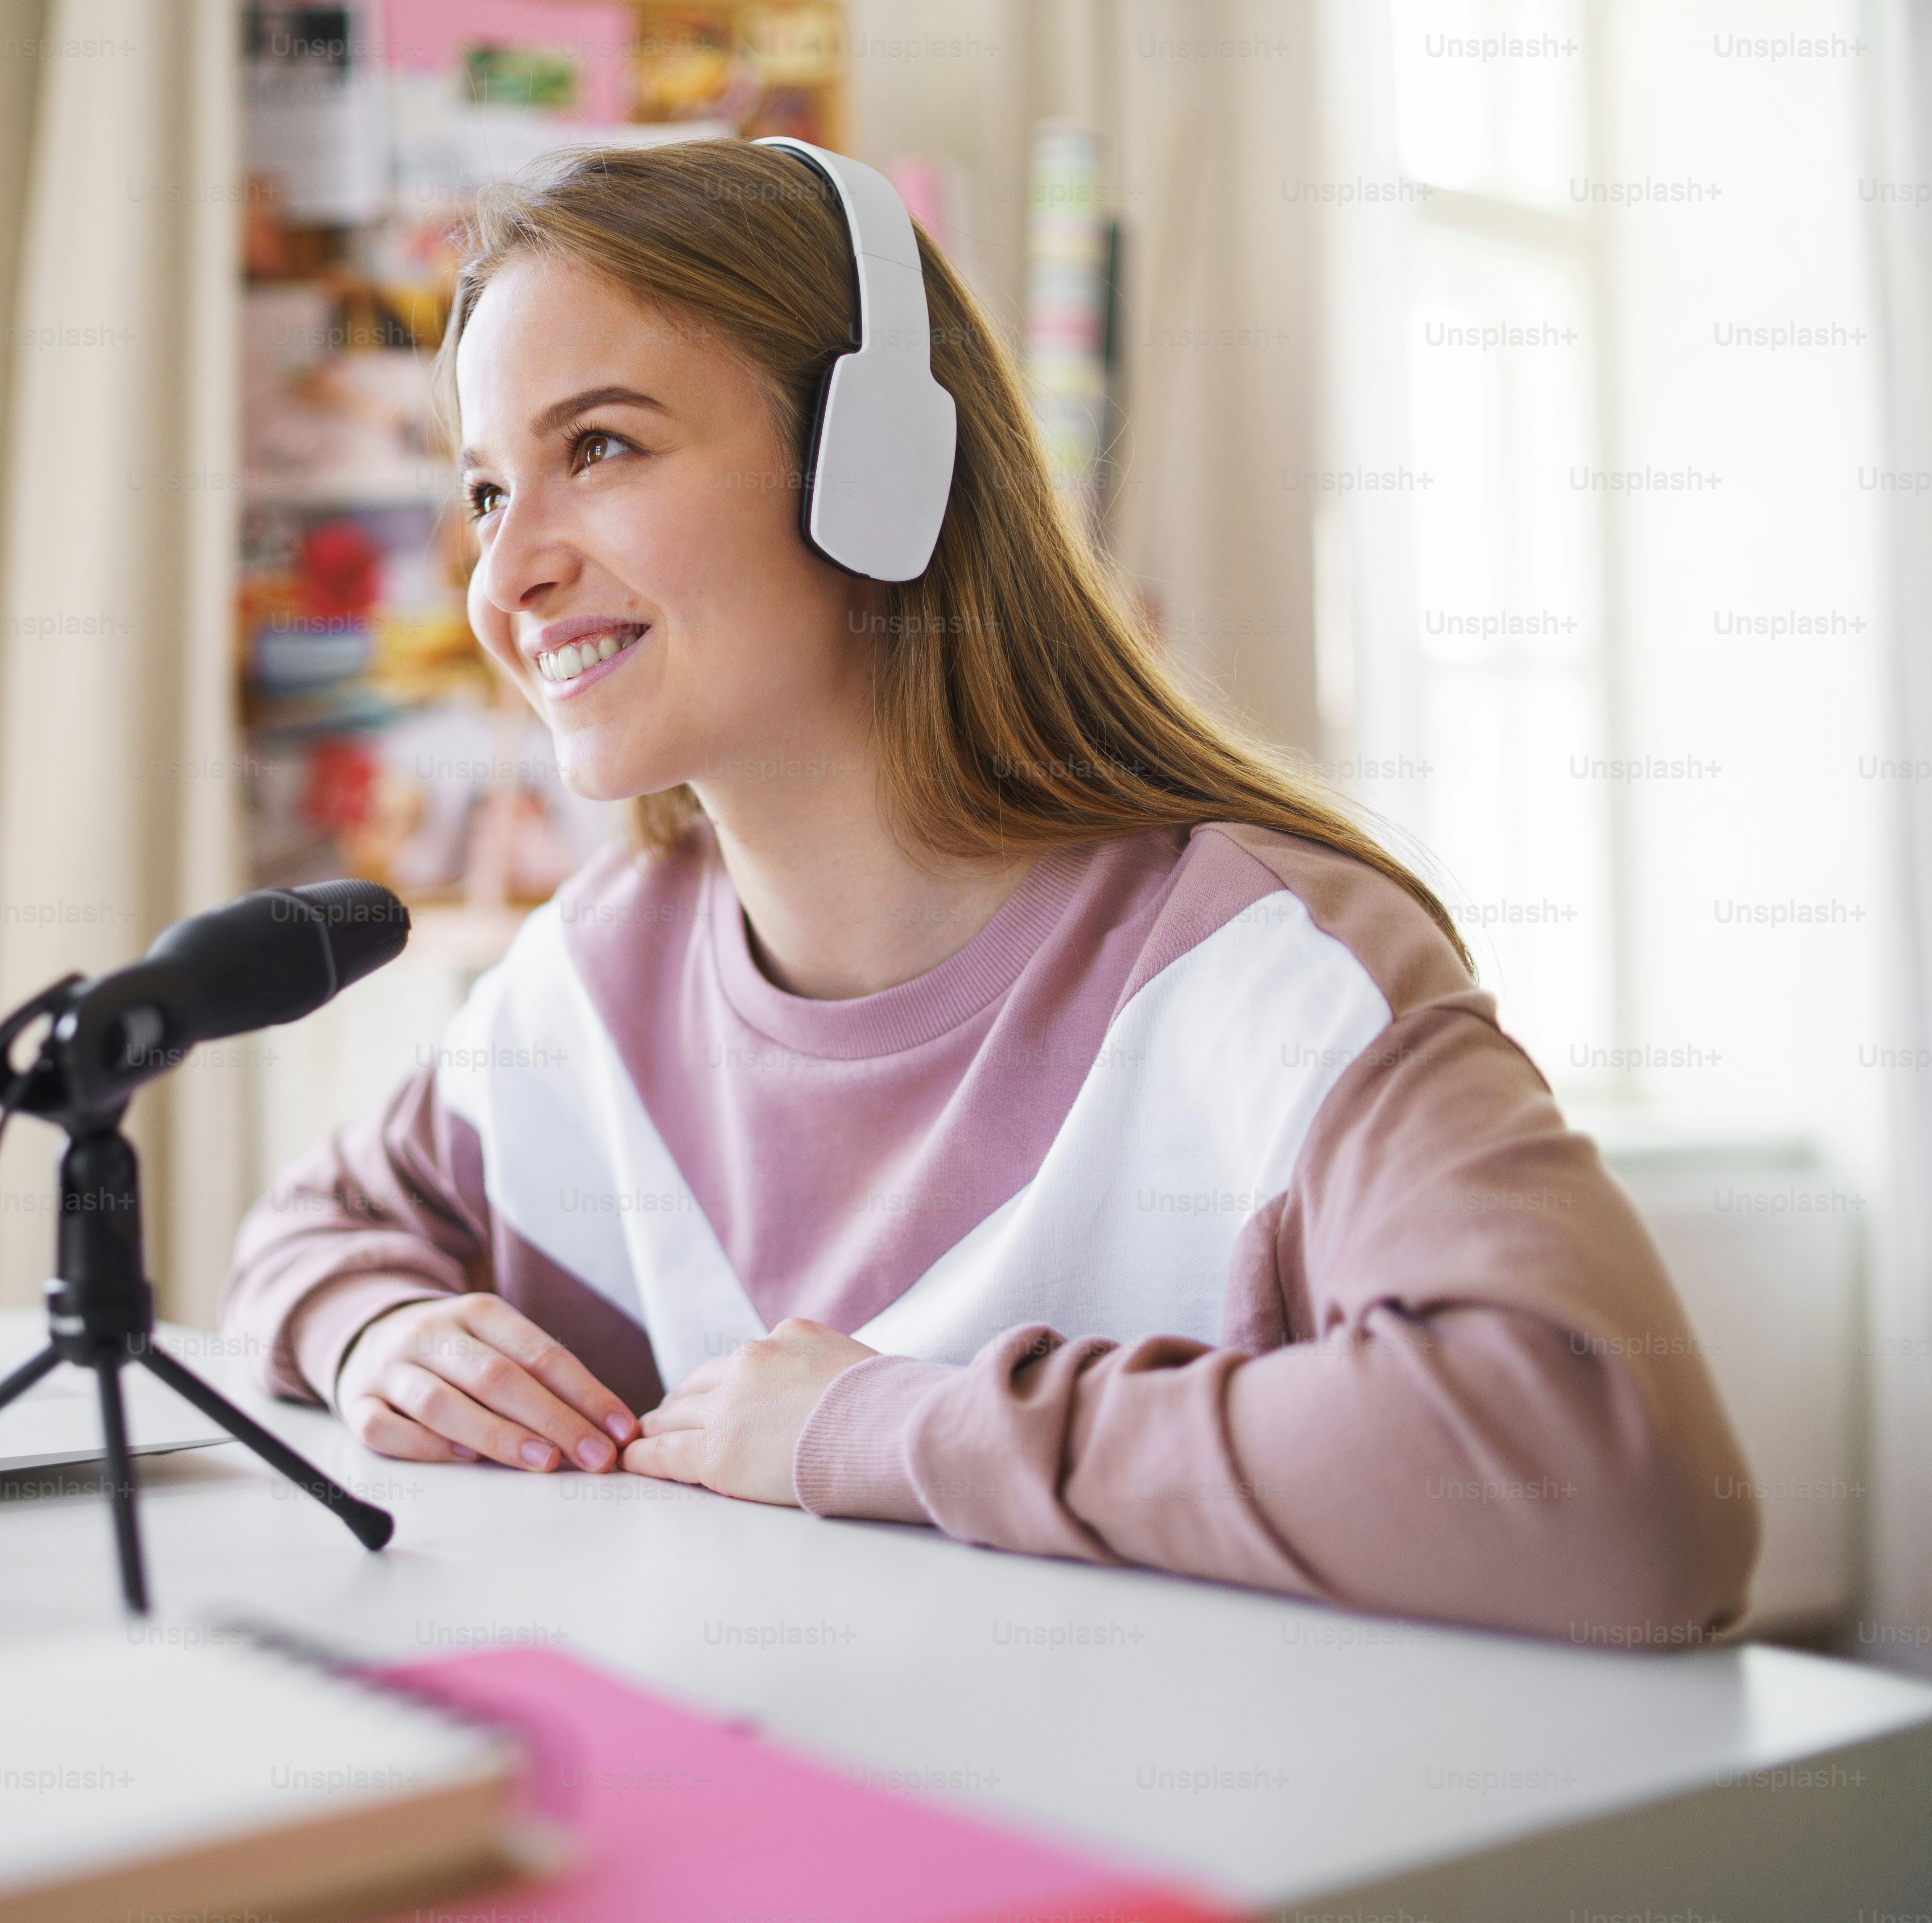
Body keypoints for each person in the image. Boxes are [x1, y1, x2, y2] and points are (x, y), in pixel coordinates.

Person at [221, 139, 1758, 1643]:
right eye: (489, 493)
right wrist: (379, 1332)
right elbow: (309, 1231)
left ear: (876, 469)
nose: (507, 577)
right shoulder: (595, 977)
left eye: (599, 448)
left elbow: (1611, 1476)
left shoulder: (1260, 970)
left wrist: (889, 1431)